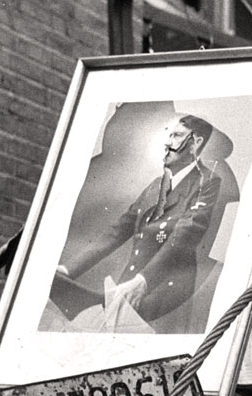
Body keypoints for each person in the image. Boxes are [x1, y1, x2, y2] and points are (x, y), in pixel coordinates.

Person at [51, 113, 225, 332]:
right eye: (168, 135)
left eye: (177, 135)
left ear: (196, 142)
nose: (167, 142)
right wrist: (69, 269)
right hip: (128, 287)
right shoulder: (157, 185)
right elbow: (118, 230)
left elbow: (185, 235)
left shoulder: (207, 182)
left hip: (163, 296)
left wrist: (144, 281)